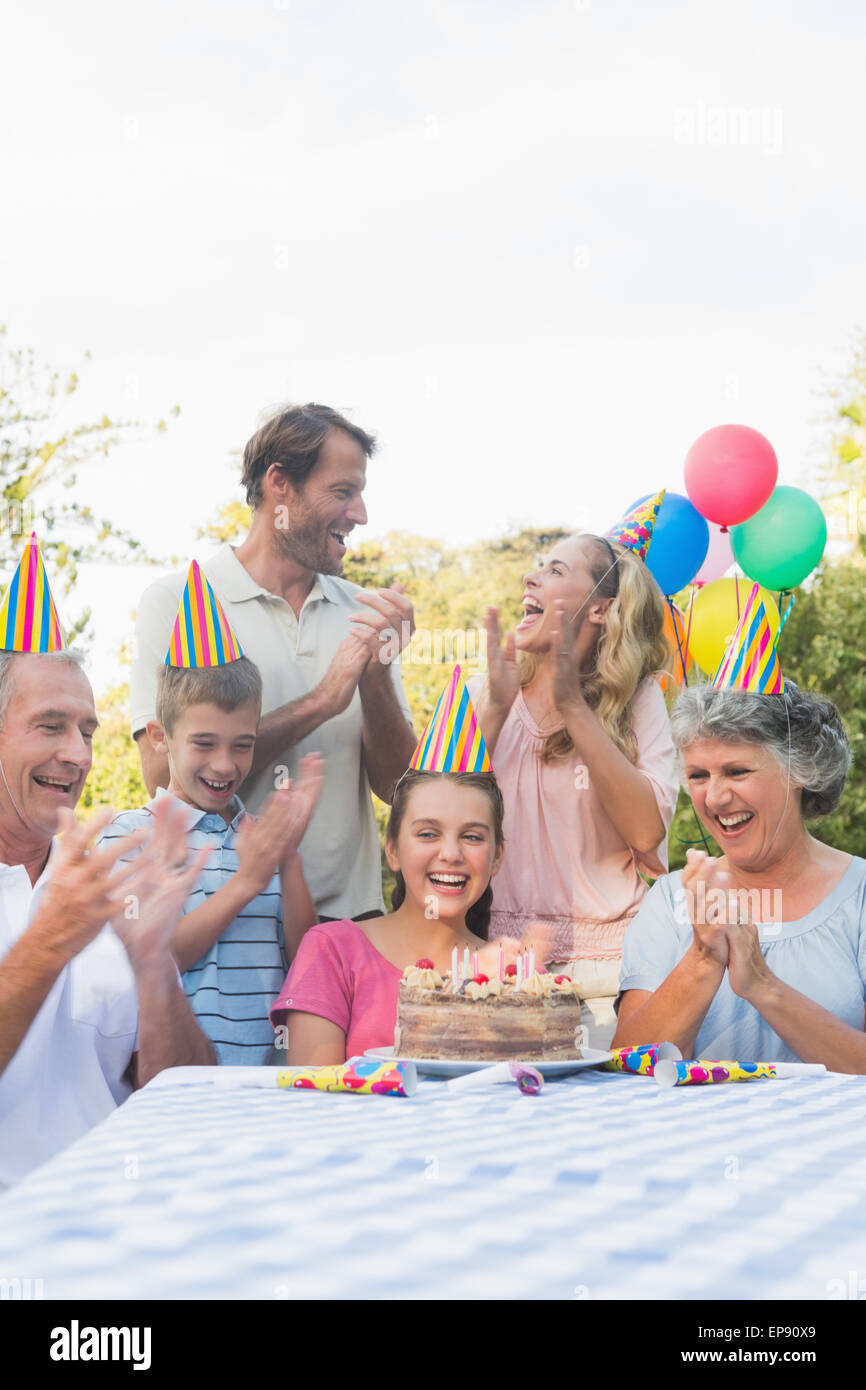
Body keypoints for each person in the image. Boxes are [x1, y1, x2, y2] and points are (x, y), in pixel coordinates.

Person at [130, 402, 416, 922]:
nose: (361, 514)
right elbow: (159, 778)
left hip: (350, 924)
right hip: (224, 924)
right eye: (343, 491)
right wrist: (322, 702)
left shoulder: (364, 613)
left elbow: (397, 786)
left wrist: (374, 679)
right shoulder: (177, 602)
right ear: (279, 483)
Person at [0, 644, 215, 1189]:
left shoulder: (112, 889)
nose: (79, 754)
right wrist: (49, 941)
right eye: (51, 726)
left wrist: (152, 969)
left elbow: (189, 1100)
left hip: (113, 1221)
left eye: (87, 732)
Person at [472, 530, 679, 1045]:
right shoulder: (488, 689)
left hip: (611, 981)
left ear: (599, 609)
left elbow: (646, 832)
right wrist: (494, 713)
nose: (532, 576)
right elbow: (431, 822)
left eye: (557, 571)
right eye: (540, 566)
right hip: (499, 971)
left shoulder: (639, 698)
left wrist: (572, 707)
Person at [99, 627, 323, 1065]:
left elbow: (308, 968)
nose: (225, 765)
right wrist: (245, 884)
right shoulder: (128, 837)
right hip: (172, 1085)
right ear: (160, 736)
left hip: (266, 1084)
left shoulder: (263, 838)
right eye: (204, 744)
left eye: (243, 745)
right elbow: (150, 965)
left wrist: (289, 858)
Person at [614, 682, 866, 1069]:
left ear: (801, 769)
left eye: (737, 771)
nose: (714, 798)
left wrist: (763, 986)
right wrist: (702, 959)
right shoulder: (670, 899)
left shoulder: (860, 896)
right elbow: (624, 1065)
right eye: (698, 775)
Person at [271, 770, 506, 1064]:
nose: (450, 853)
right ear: (392, 849)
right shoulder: (332, 950)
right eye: (428, 834)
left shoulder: (514, 975)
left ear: (497, 856)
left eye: (472, 836)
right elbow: (314, 1095)